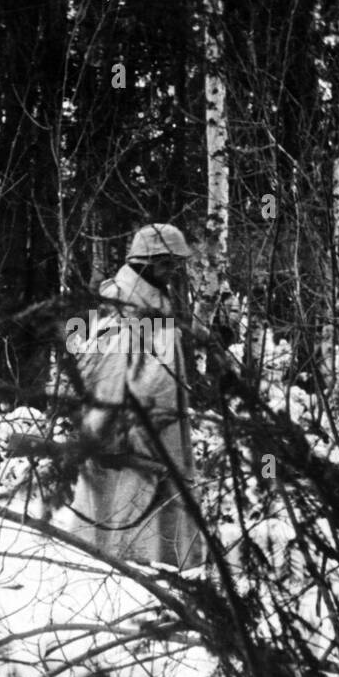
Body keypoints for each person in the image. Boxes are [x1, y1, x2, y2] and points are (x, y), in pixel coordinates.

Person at [67, 223, 204, 569]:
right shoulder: (124, 308)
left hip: (160, 417)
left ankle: (159, 554)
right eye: (166, 263)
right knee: (127, 485)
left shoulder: (153, 301)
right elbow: (109, 372)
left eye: (174, 264)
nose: (172, 272)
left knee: (155, 484)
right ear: (145, 261)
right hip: (131, 423)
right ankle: (122, 553)